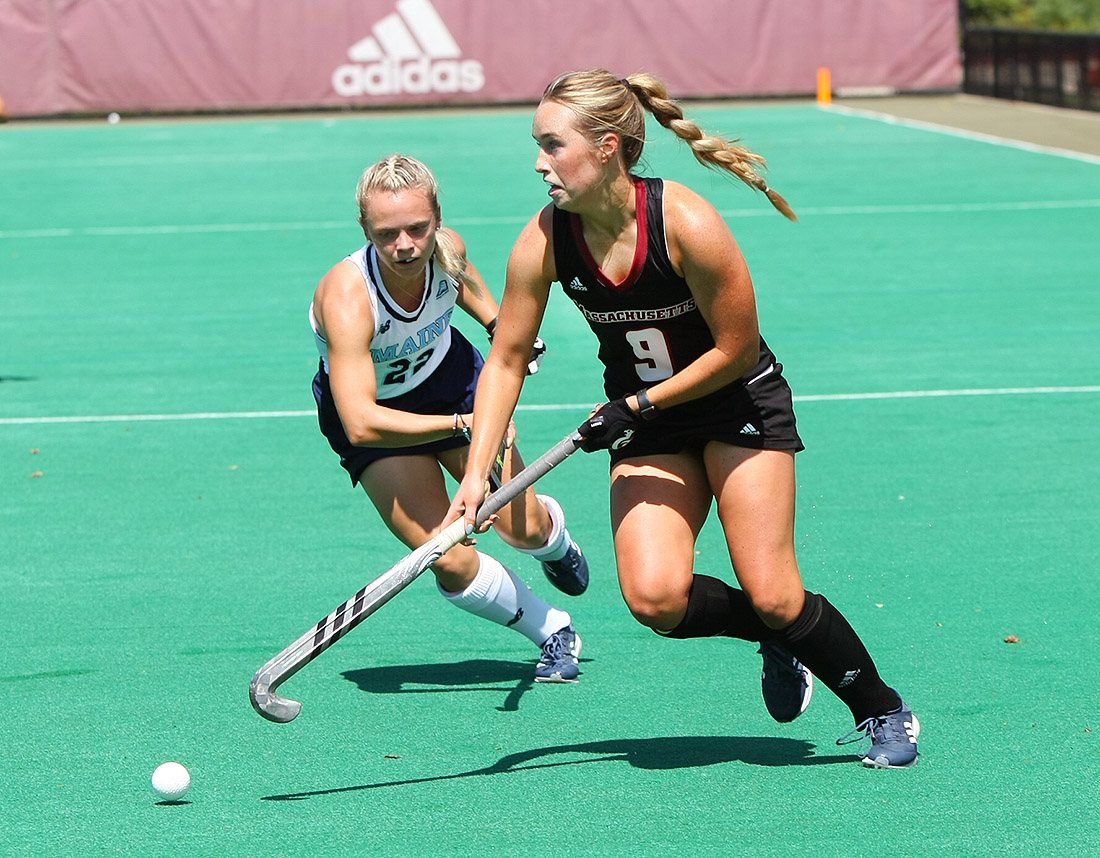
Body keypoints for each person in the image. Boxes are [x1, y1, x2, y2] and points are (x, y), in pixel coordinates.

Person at [448, 69, 920, 766]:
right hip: (649, 424)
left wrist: (636, 404)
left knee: (775, 592)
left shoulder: (685, 223)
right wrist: (477, 475)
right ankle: (776, 637)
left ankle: (882, 708)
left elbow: (736, 350)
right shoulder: (545, 237)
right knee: (655, 599)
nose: (539, 162)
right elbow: (508, 357)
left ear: (607, 146)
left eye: (552, 144)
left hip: (736, 404)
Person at [310, 153, 588, 683]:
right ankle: (553, 629)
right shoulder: (347, 298)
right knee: (447, 555)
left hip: (453, 382)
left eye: (418, 228)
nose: (405, 246)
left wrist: (500, 328)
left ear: (438, 218)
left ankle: (553, 541)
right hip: (379, 419)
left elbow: (466, 286)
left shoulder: (447, 248)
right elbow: (363, 423)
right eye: (387, 234)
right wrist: (465, 424)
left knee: (523, 528)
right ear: (364, 228)